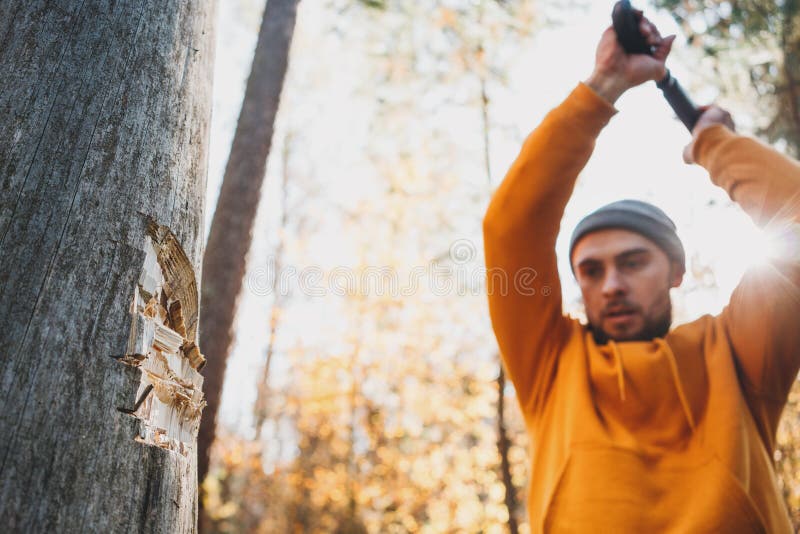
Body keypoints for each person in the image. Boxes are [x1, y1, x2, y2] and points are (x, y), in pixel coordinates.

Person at [483, 16, 800, 534]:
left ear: (675, 271)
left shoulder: (739, 353)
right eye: (590, 270)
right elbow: (511, 227)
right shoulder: (552, 364)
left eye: (632, 262)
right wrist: (604, 84)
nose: (610, 285)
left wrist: (713, 143)